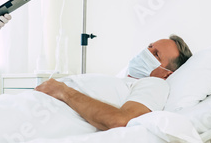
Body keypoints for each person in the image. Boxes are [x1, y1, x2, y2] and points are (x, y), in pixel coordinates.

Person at [35, 35, 193, 130]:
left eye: (156, 54)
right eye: (149, 47)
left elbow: (121, 120)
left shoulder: (156, 85)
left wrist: (65, 91)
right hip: (37, 107)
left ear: (166, 74)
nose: (146, 52)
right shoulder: (123, 80)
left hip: (42, 117)